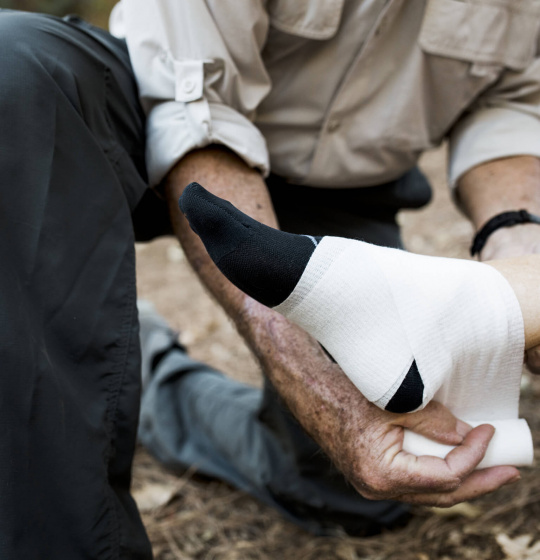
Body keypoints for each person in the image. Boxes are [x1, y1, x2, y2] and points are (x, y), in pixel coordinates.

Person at [0, 2, 537, 558]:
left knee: (370, 475)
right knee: (13, 66)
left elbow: (509, 105)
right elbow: (197, 107)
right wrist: (313, 379)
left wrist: (515, 242)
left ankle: (157, 377)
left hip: (342, 185)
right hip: (163, 113)